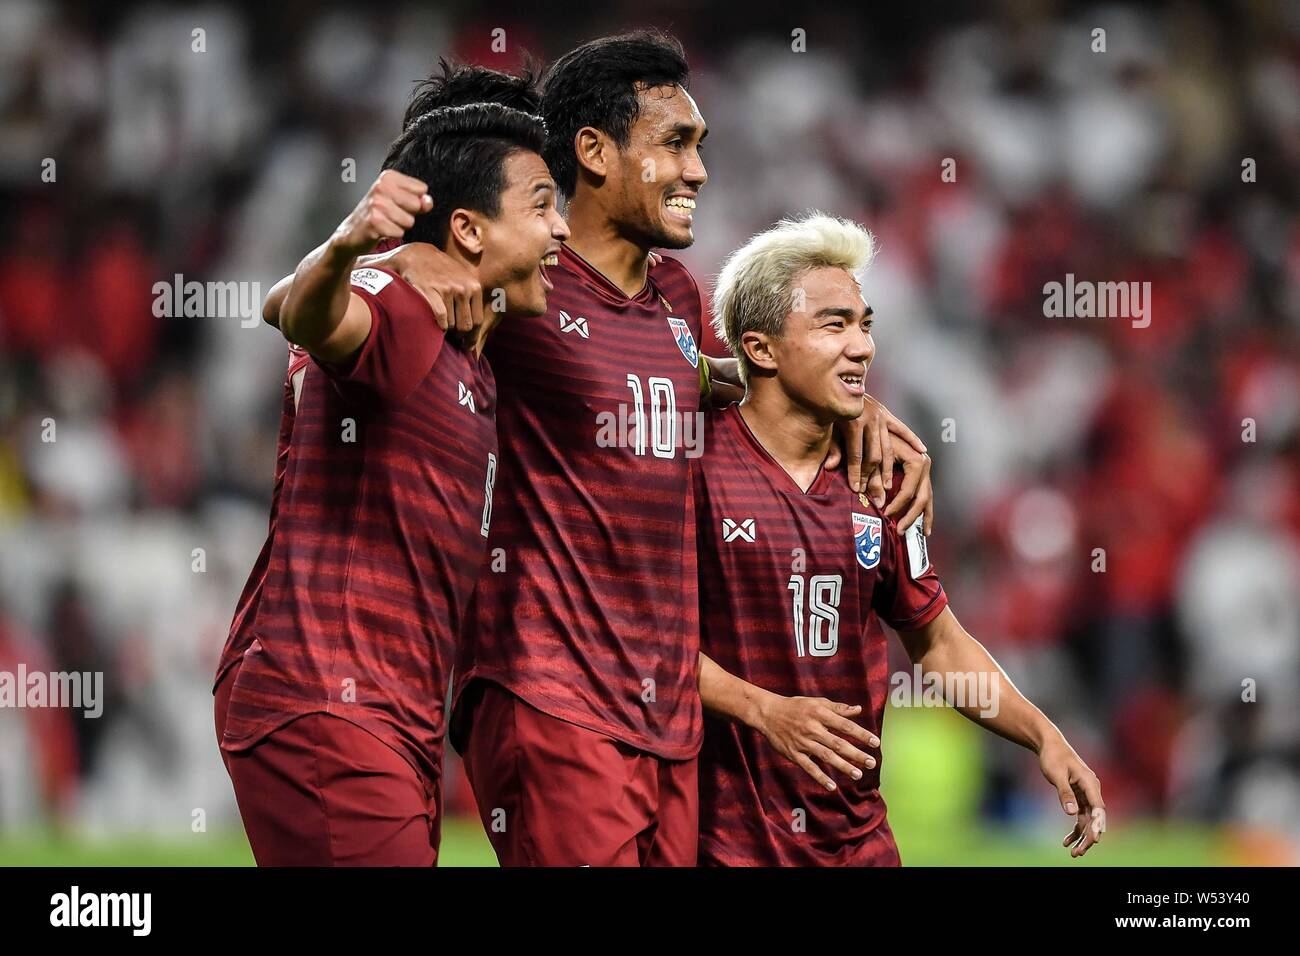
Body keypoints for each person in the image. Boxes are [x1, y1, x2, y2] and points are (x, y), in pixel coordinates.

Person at [212, 102, 567, 865]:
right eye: (542, 207)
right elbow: (307, 316)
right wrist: (355, 247)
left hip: (387, 716)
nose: (560, 230)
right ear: (467, 230)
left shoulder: (467, 347)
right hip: (328, 701)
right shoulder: (404, 302)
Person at [694, 212, 1106, 865]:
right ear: (762, 348)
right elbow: (638, 644)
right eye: (834, 325)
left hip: (857, 846)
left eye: (865, 325)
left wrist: (1043, 735)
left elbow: (937, 641)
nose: (862, 347)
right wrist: (764, 711)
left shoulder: (884, 482)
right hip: (717, 843)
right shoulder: (689, 467)